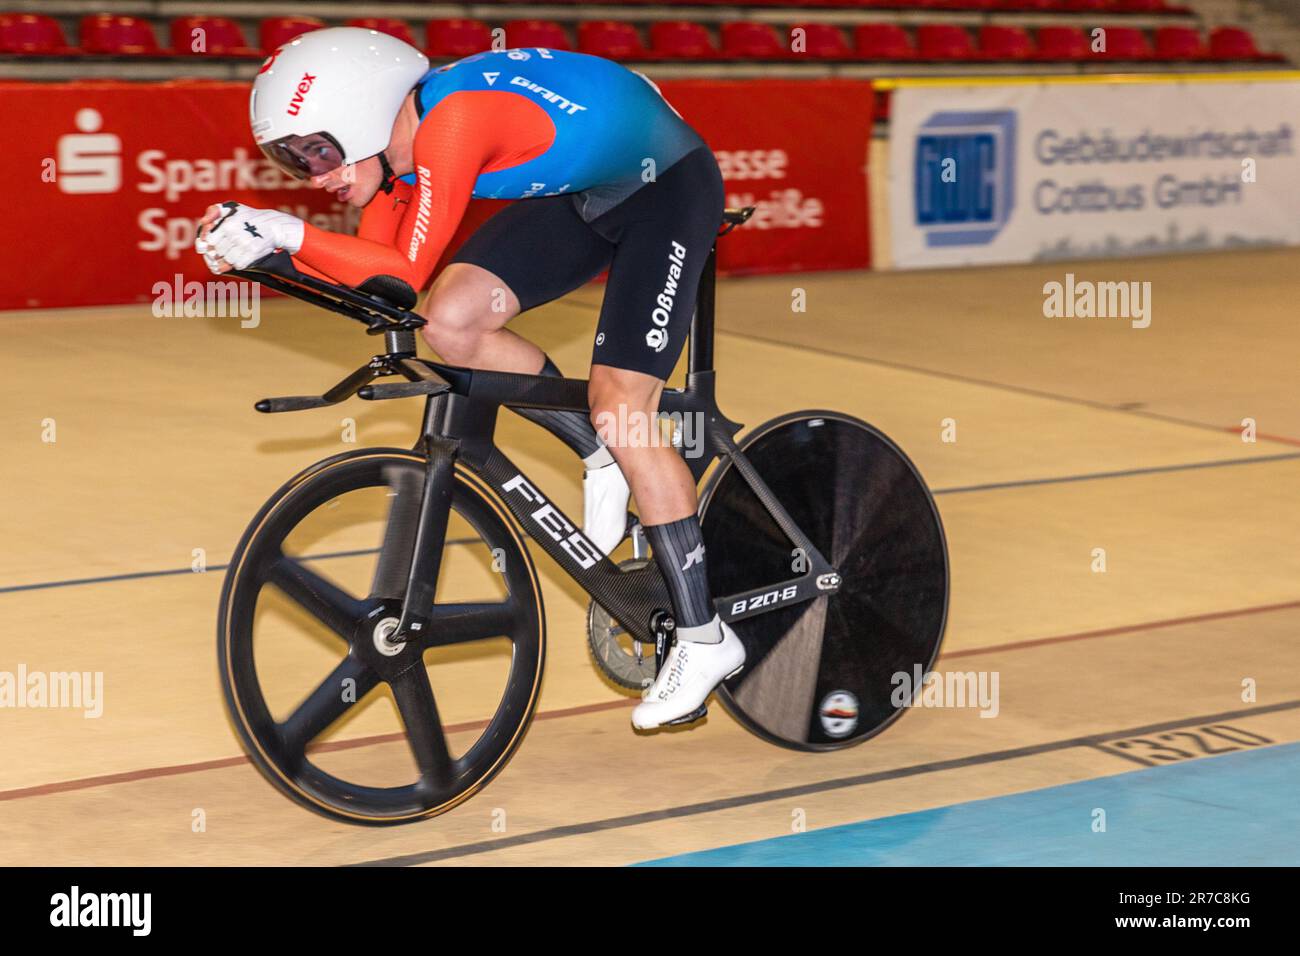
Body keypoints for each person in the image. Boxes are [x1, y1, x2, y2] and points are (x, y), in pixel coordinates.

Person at [196, 27, 743, 729]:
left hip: (668, 188)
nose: (315, 176)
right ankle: (599, 453)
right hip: (588, 191)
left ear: (364, 107)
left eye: (317, 151)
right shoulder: (400, 161)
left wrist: (286, 232)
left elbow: (399, 270)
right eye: (293, 162)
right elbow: (387, 286)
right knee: (451, 324)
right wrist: (265, 256)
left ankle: (705, 639)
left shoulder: (450, 125)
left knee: (621, 405)